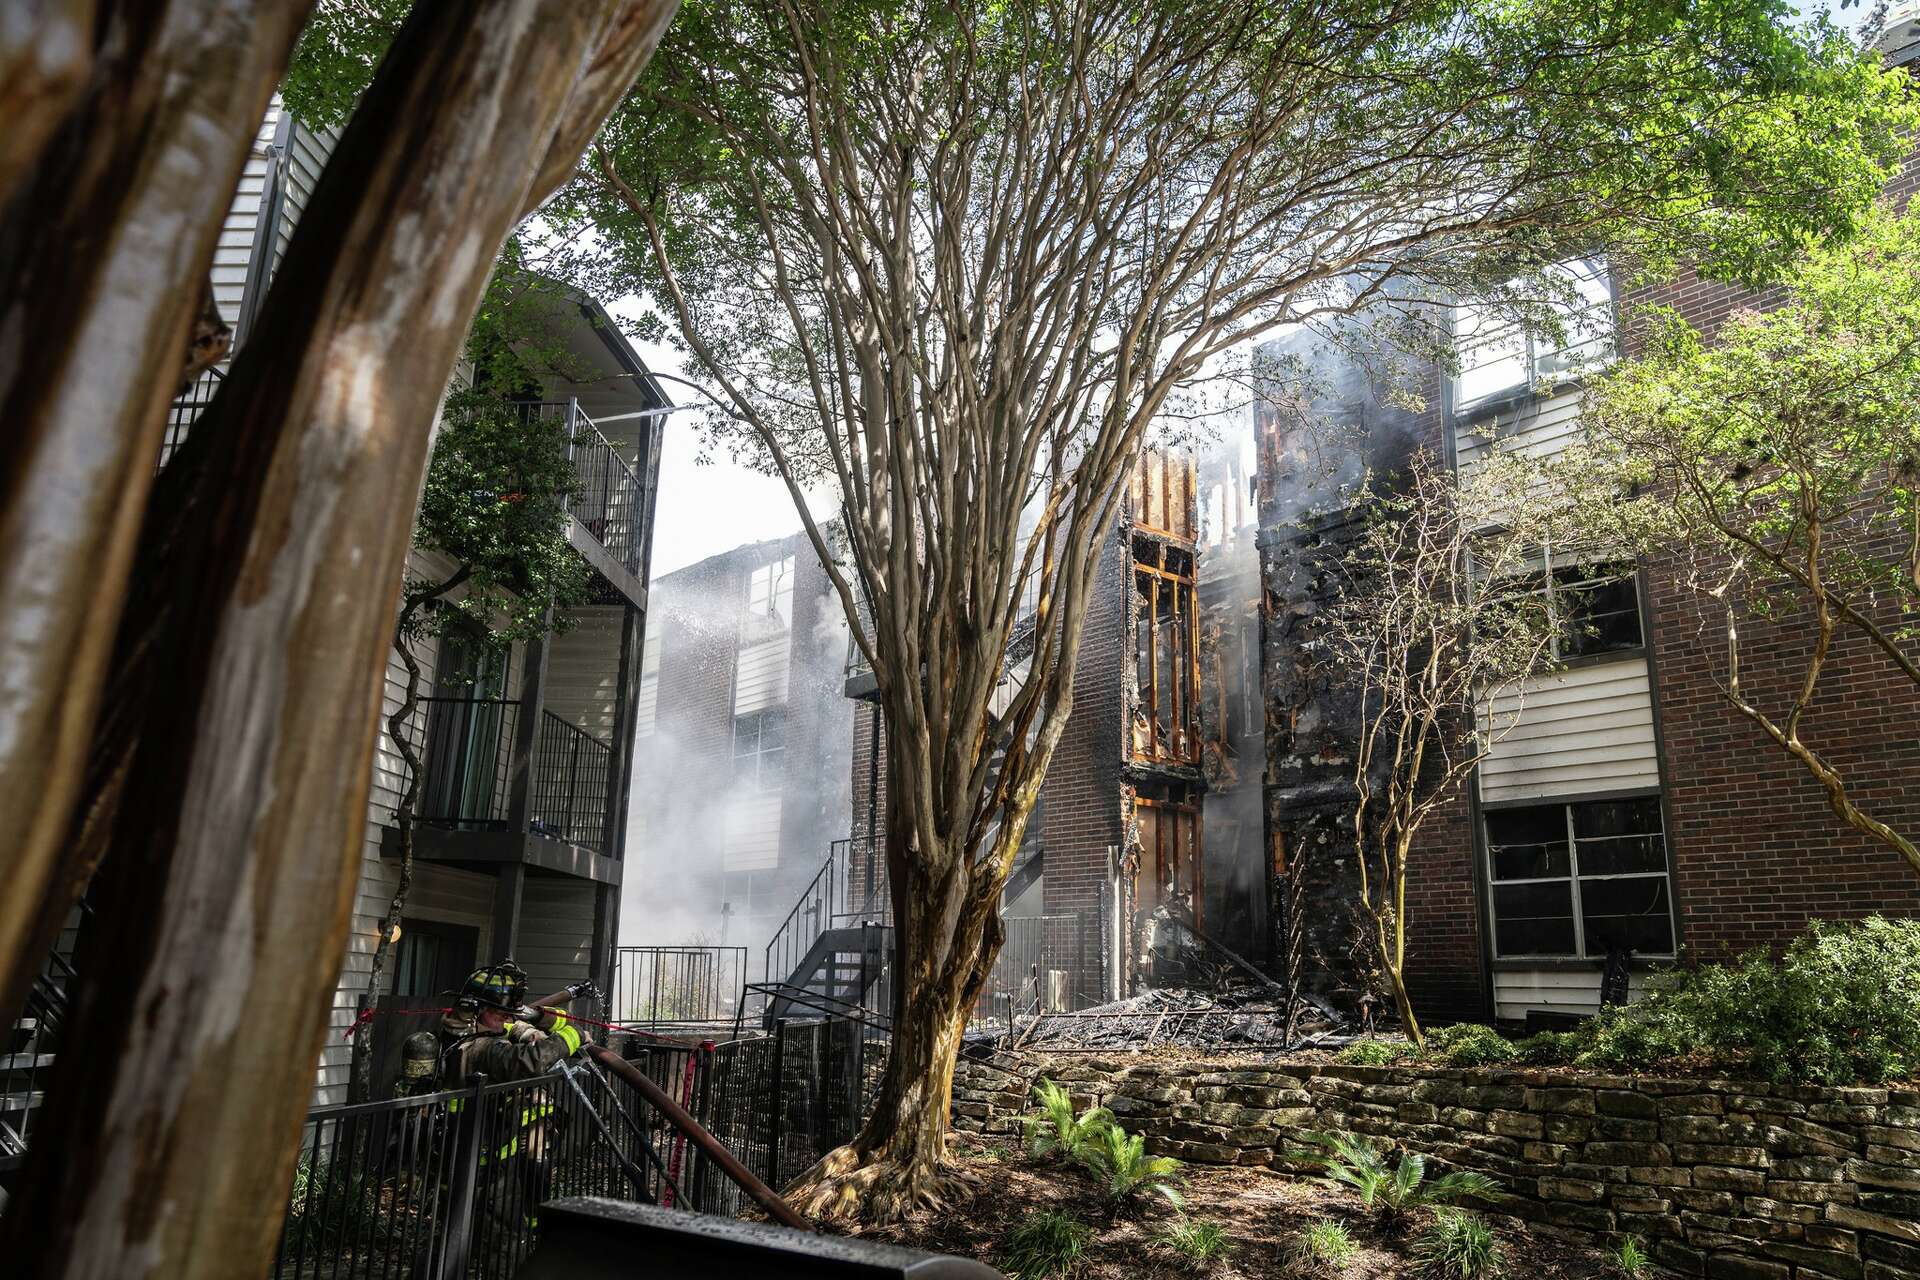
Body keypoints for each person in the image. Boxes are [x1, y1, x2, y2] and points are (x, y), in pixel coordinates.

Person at [436, 960, 599, 1254]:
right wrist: (573, 1036)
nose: (504, 1020)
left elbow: (510, 1028)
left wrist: (527, 1029)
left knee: (460, 1237)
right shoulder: (481, 1048)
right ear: (479, 1010)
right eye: (499, 1014)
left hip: (463, 1152)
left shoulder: (455, 1030)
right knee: (497, 1241)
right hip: (480, 1158)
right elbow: (527, 1062)